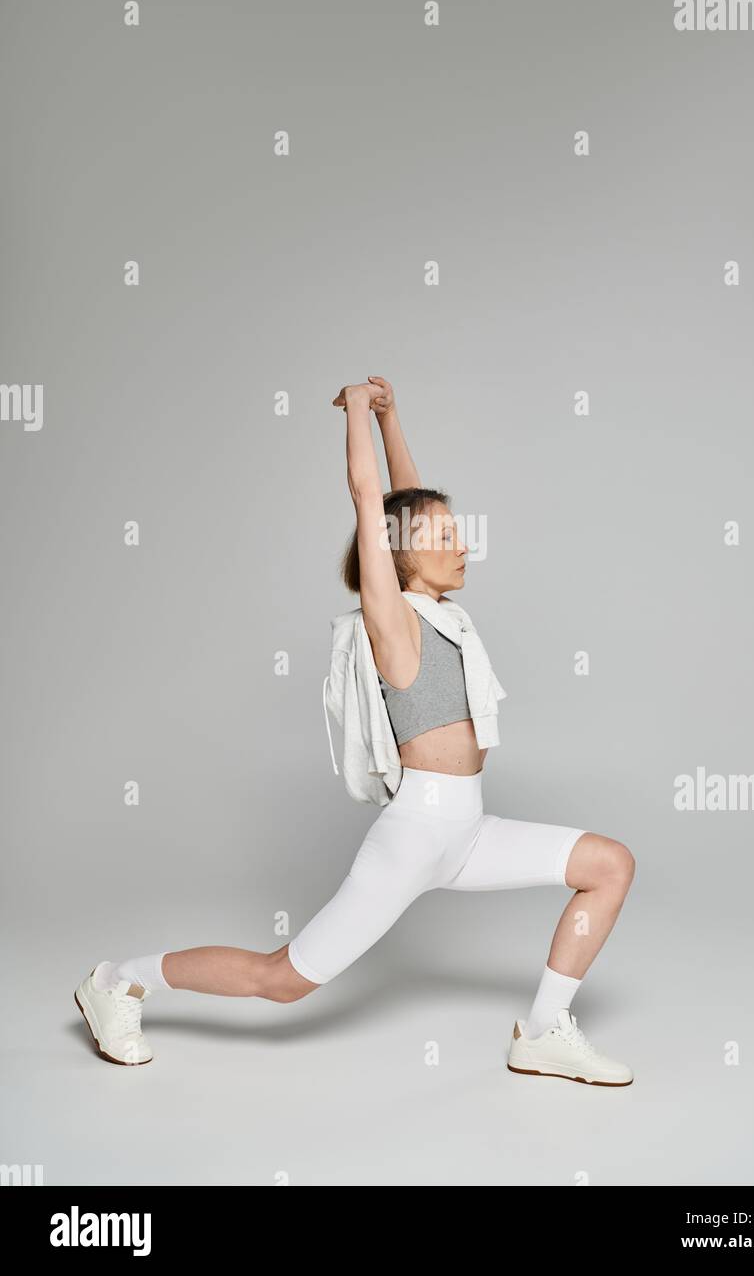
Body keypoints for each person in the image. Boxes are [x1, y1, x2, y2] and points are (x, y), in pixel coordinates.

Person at [74, 377, 636, 1085]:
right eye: (442, 538)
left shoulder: (444, 617)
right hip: (415, 837)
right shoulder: (393, 623)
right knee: (281, 980)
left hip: (468, 832)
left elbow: (405, 500)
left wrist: (394, 417)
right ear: (399, 555)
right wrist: (358, 416)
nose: (462, 547)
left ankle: (545, 1030)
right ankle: (116, 981)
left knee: (609, 865)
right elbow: (375, 504)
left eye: (458, 533)